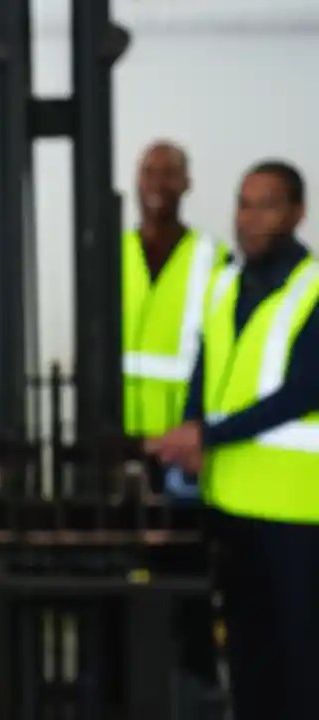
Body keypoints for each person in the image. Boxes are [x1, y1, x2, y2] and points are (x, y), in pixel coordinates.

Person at [147, 160, 319, 720]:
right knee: (247, 655)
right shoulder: (225, 283)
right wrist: (192, 434)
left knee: (302, 659)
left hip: (297, 512)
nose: (249, 218)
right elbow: (207, 369)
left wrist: (209, 433)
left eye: (266, 204)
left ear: (297, 213)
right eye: (244, 204)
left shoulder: (313, 290)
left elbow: (304, 391)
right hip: (229, 503)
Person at [123, 140, 230, 437]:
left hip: (181, 437)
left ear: (186, 183)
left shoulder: (214, 258)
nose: (157, 183)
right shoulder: (112, 253)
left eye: (169, 173)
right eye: (148, 173)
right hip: (117, 435)